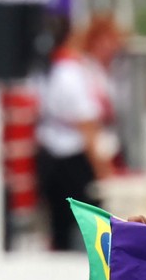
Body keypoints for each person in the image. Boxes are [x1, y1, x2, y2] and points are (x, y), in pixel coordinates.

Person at [35, 14, 123, 250]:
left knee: (62, 228)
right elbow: (88, 127)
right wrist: (105, 172)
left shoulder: (59, 69)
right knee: (85, 227)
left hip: (57, 154)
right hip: (72, 159)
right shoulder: (69, 73)